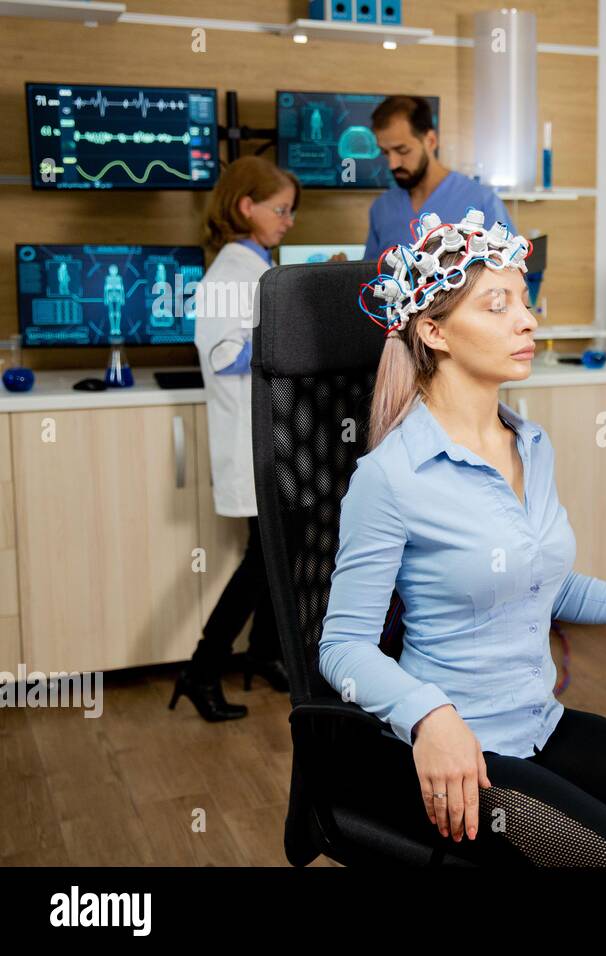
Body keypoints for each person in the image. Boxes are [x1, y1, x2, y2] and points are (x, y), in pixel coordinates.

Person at [320, 208, 606, 866]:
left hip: (541, 724)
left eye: (525, 301)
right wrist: (428, 715)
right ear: (433, 331)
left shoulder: (531, 444)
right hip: (466, 755)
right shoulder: (392, 477)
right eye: (498, 306)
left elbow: (541, 581)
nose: (528, 320)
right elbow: (343, 647)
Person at [170, 156, 299, 722]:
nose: (289, 221)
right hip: (250, 442)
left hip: (270, 437)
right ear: (246, 206)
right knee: (263, 558)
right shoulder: (229, 273)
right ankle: (201, 671)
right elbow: (225, 357)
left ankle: (266, 654)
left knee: (281, 552)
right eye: (281, 209)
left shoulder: (253, 267)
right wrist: (286, 331)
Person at [363, 95, 515, 261]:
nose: (393, 164)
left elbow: (509, 274)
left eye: (402, 150)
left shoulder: (482, 202)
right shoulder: (382, 209)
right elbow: (370, 277)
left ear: (430, 141)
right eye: (385, 152)